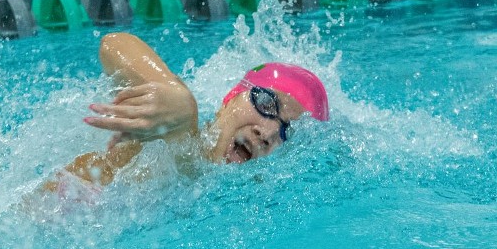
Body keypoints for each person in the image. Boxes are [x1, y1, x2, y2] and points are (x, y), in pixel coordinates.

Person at [44, 32, 329, 198]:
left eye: (287, 132)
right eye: (266, 103)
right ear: (230, 99)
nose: (267, 133)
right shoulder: (169, 124)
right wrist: (173, 90)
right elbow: (113, 44)